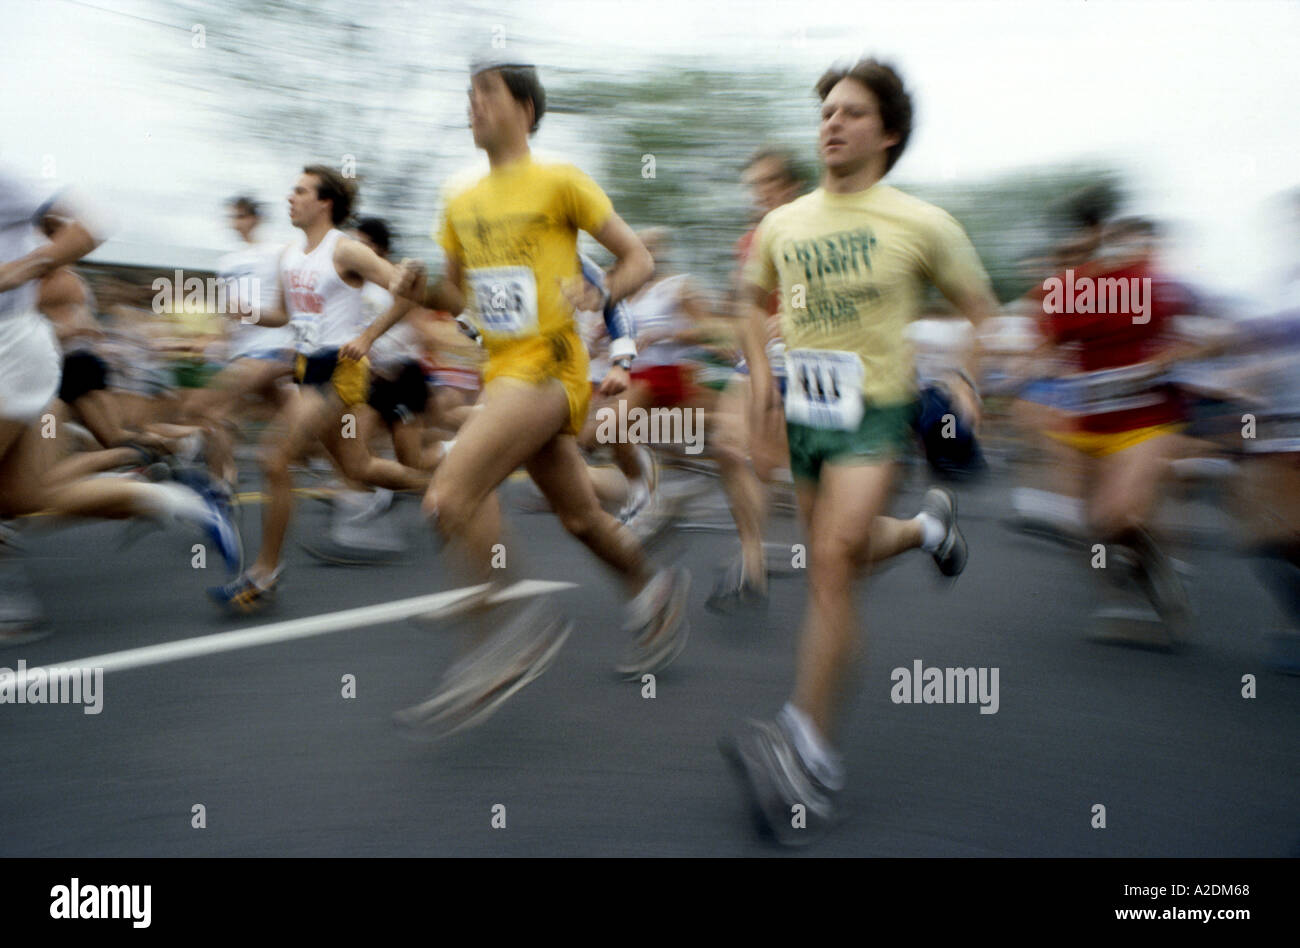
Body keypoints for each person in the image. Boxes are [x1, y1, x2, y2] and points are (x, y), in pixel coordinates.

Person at [719, 58, 998, 845]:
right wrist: (762, 372)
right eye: (826, 112)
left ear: (888, 133)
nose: (831, 124)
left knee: (834, 563)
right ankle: (927, 531)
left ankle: (807, 751)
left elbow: (983, 310)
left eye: (851, 113)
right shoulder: (784, 223)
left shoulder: (921, 223)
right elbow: (745, 299)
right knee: (840, 557)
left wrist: (968, 385)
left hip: (877, 415)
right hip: (808, 418)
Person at [387, 56, 689, 738]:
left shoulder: (561, 182)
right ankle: (655, 593)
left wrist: (602, 290)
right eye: (467, 95)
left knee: (447, 496)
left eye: (486, 92)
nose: (472, 105)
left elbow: (636, 258)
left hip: (550, 371)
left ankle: (511, 638)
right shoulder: (458, 201)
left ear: (525, 108)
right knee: (581, 519)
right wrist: (414, 283)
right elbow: (455, 298)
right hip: (504, 377)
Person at [207, 166, 433, 612]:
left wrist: (368, 337)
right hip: (308, 369)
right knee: (359, 467)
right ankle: (443, 484)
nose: (290, 198)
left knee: (275, 458)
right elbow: (282, 314)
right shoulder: (290, 255)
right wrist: (246, 313)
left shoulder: (345, 249)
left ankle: (265, 575)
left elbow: (409, 292)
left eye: (300, 191)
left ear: (324, 202)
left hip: (340, 373)